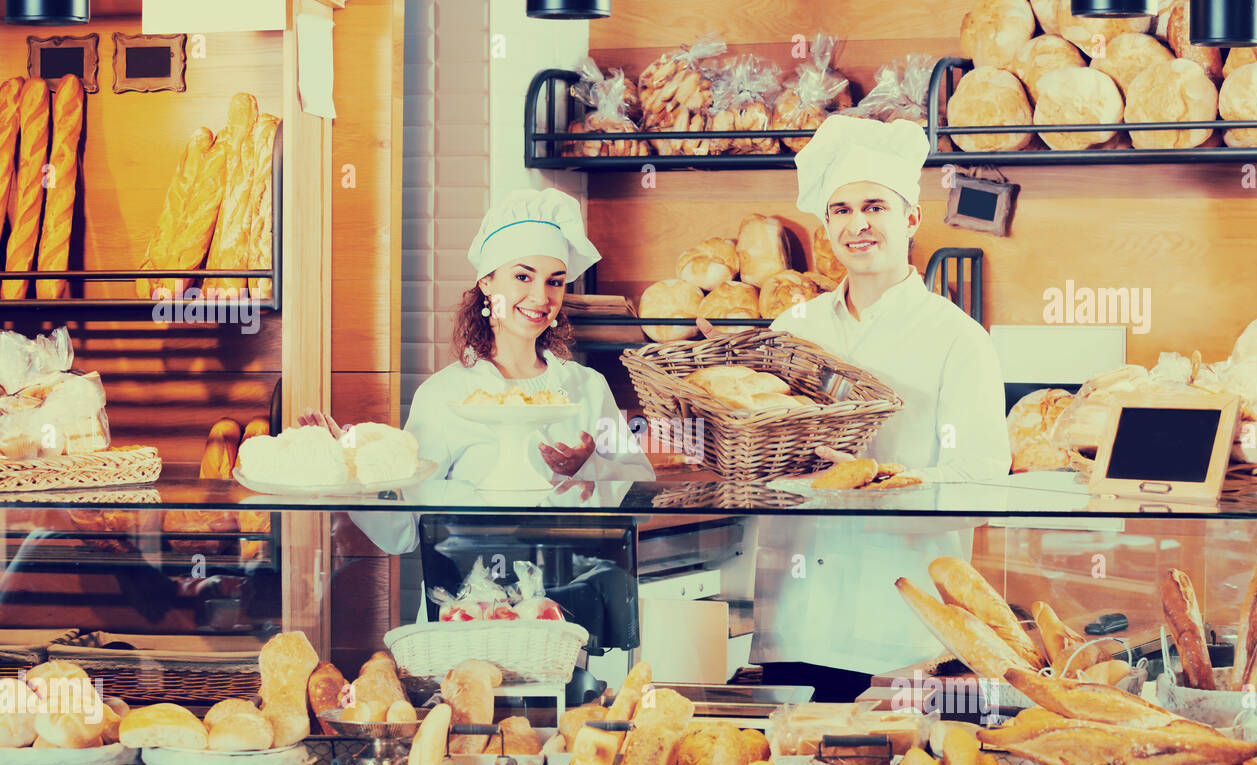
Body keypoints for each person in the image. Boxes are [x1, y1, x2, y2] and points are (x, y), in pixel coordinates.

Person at [701, 116, 1011, 701]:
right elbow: (762, 446)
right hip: (797, 614)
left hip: (900, 626)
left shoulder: (957, 337)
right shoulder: (793, 327)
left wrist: (884, 479)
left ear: (911, 218)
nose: (857, 224)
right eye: (841, 210)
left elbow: (985, 479)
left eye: (875, 206)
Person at [306, 187, 654, 582]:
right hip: (467, 615)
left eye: (555, 281)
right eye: (522, 276)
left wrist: (590, 467)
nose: (541, 296)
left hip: (568, 609)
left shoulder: (587, 388)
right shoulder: (443, 396)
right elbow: (401, 532)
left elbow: (642, 495)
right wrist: (352, 469)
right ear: (487, 283)